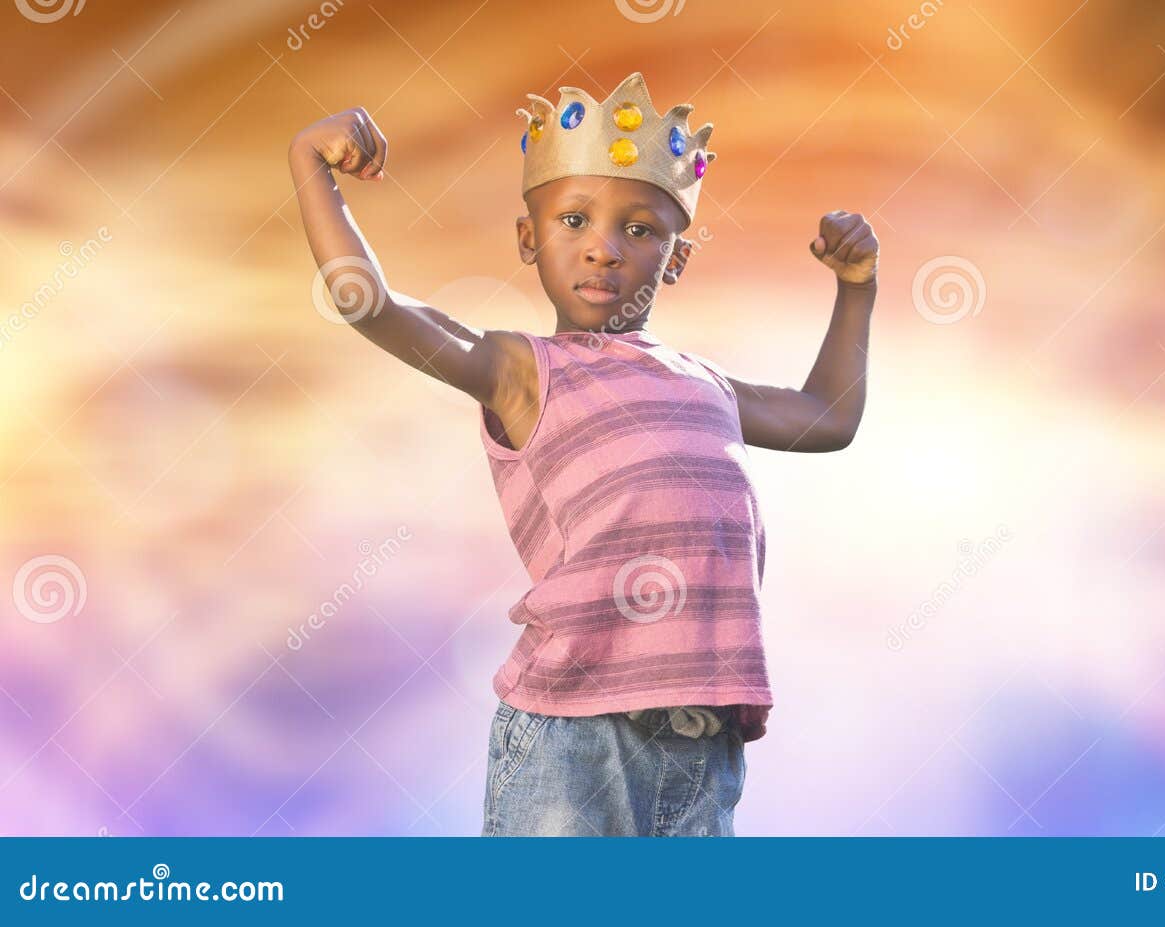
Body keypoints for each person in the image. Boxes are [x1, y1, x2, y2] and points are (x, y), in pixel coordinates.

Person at [287, 72, 877, 836]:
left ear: (676, 259)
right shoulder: (521, 368)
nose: (603, 248)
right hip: (574, 731)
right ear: (529, 239)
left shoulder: (708, 384)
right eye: (574, 220)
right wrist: (310, 161)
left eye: (639, 230)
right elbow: (365, 301)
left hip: (702, 737)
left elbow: (828, 416)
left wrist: (856, 288)